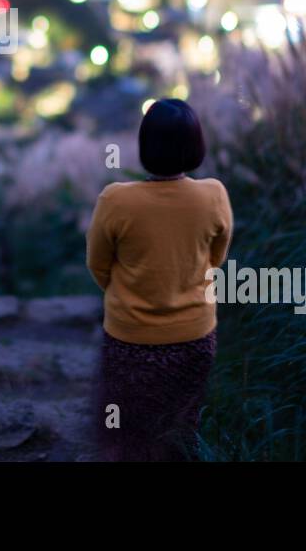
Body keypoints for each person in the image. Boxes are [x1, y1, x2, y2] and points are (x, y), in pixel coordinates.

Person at [86, 98, 233, 461]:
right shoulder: (213, 195)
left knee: (126, 433)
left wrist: (130, 292)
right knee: (180, 431)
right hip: (193, 339)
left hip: (129, 339)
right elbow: (216, 259)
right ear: (196, 145)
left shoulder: (116, 199)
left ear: (145, 145)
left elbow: (98, 265)